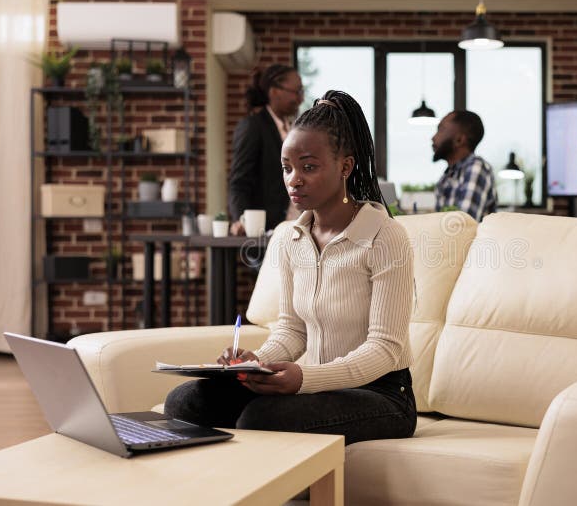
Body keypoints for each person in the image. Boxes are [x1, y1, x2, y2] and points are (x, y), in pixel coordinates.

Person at [164, 90, 417, 445]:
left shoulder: (385, 236)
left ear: (345, 166)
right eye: (287, 168)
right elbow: (292, 331)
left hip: (383, 395)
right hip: (316, 384)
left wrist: (304, 379)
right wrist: (254, 362)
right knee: (187, 401)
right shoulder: (290, 237)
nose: (293, 179)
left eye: (309, 167)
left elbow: (385, 349)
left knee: (262, 418)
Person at [228, 64, 304, 234]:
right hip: (266, 233)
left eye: (302, 92)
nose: (300, 99)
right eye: (296, 92)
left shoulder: (292, 129)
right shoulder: (253, 127)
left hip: (295, 229)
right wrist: (241, 220)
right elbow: (239, 182)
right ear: (274, 91)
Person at [432, 110, 497, 221]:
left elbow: (462, 227)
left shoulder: (476, 168)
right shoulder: (446, 177)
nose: (433, 137)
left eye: (441, 129)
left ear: (459, 140)